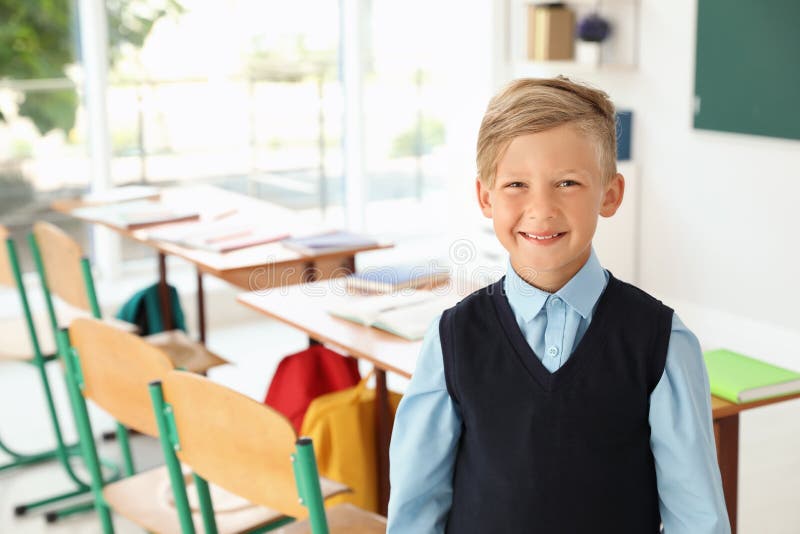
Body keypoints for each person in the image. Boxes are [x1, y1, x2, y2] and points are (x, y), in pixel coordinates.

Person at [386, 77, 730, 533]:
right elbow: (415, 510)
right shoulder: (451, 340)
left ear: (610, 194)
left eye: (567, 182)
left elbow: (697, 519)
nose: (541, 208)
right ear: (485, 197)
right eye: (516, 185)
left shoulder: (661, 343)